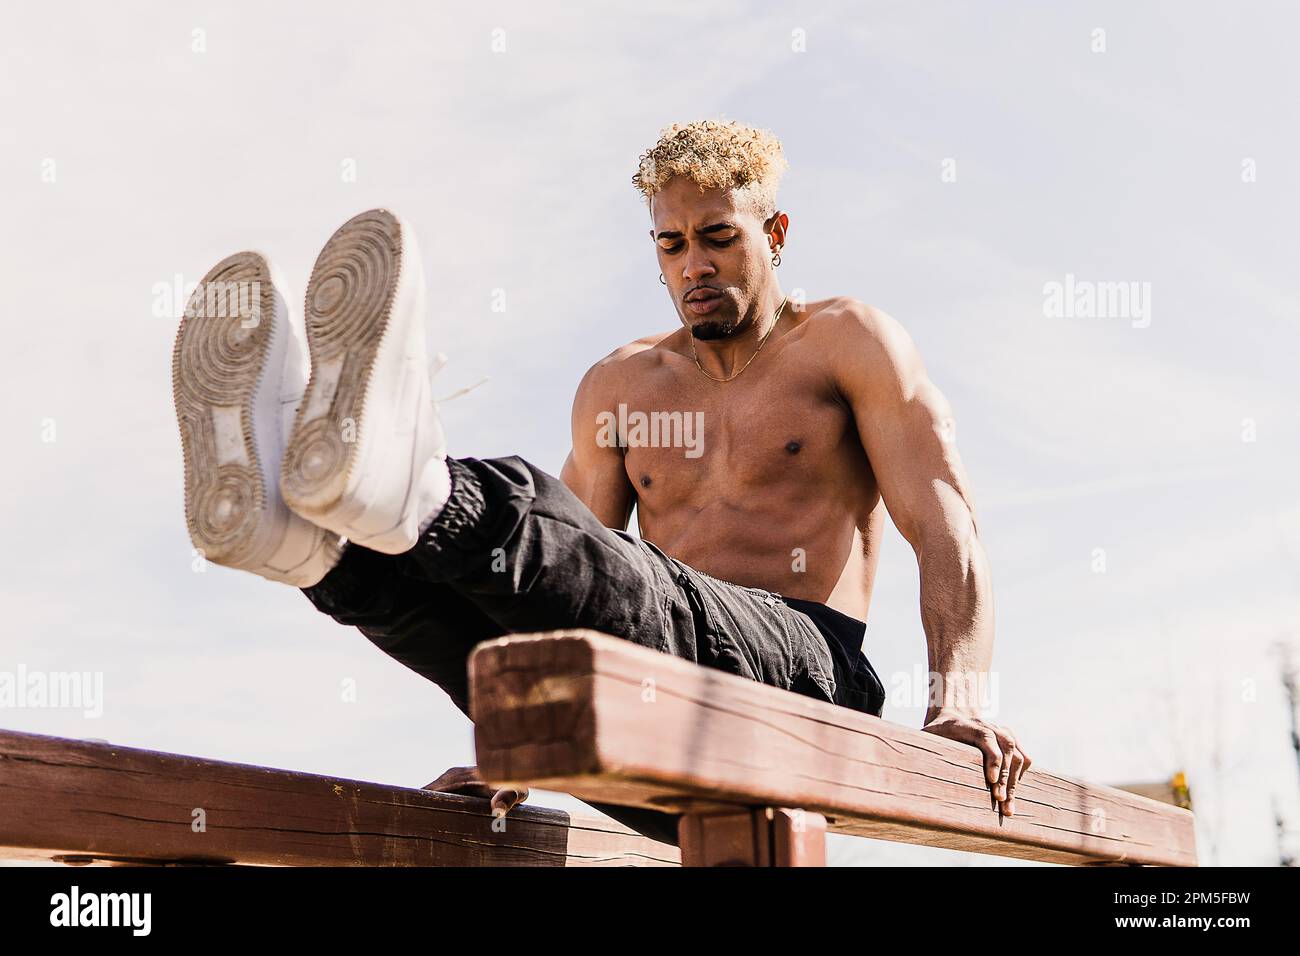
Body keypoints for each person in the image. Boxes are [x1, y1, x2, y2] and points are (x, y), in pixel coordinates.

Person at [171, 119, 1030, 849]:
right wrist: (516, 747)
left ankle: (417, 489)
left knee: (644, 590)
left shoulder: (849, 343)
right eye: (672, 242)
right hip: (643, 737)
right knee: (479, 609)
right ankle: (317, 549)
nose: (695, 263)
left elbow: (946, 521)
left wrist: (961, 701)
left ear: (773, 235)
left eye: (719, 237)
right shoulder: (621, 387)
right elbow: (570, 571)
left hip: (808, 693)